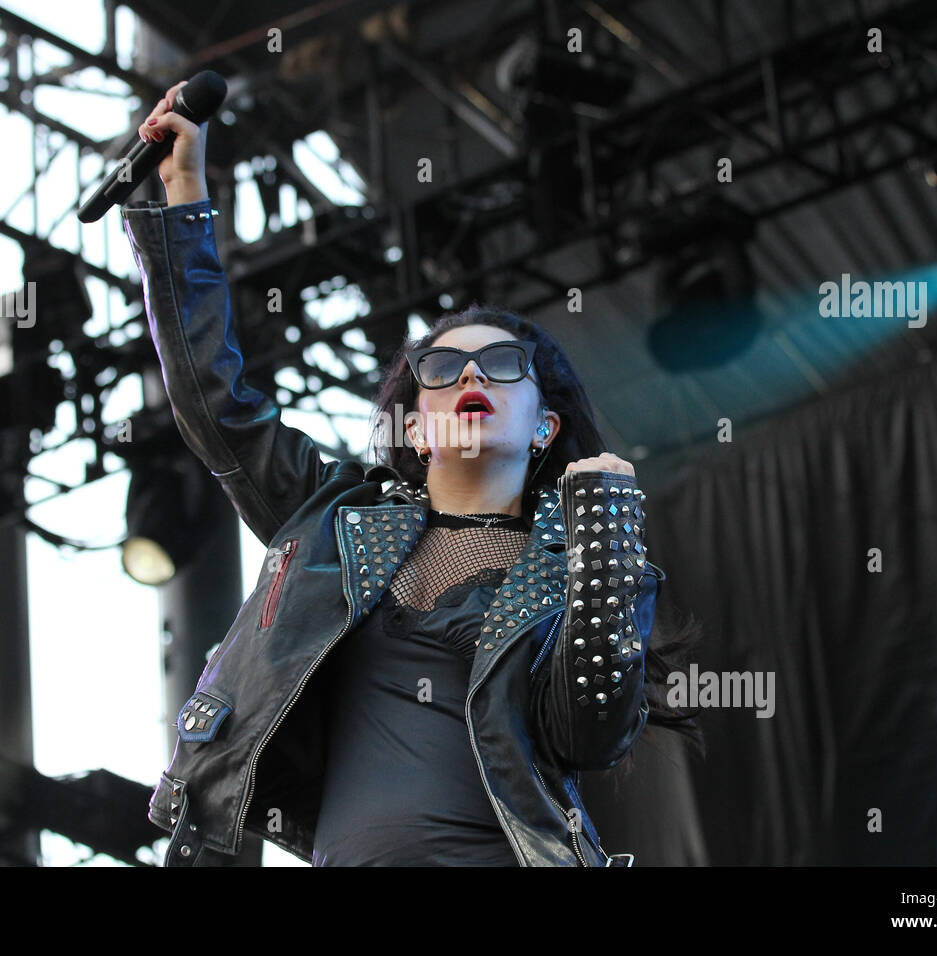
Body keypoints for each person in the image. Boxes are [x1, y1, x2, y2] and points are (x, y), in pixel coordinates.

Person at [122, 81, 699, 867]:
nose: (471, 375)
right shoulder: (334, 521)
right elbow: (213, 403)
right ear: (418, 425)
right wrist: (184, 196)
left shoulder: (571, 560)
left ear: (545, 426)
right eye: (443, 368)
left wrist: (605, 530)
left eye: (502, 364)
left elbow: (592, 732)